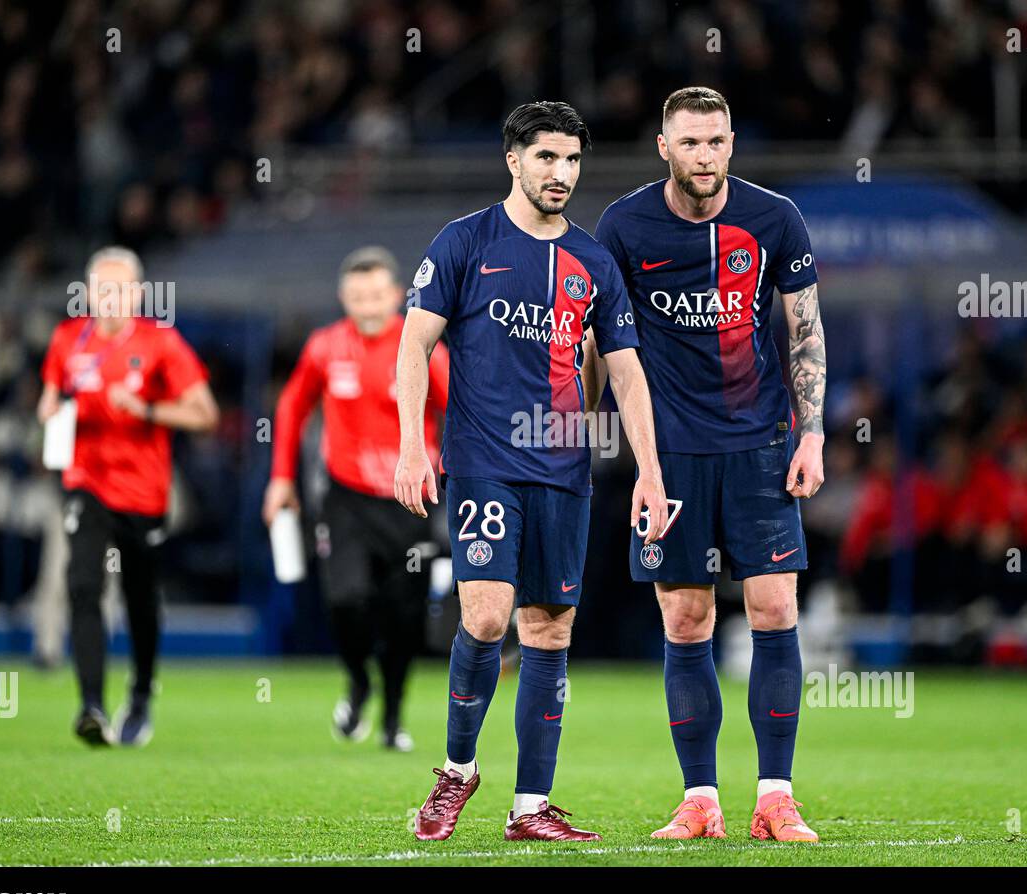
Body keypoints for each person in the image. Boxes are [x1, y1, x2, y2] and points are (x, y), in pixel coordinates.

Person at [394, 101, 667, 842]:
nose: (561, 173)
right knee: (484, 615)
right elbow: (414, 345)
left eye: (572, 160)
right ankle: (456, 773)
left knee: (549, 630)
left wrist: (647, 469)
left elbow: (628, 374)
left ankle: (530, 808)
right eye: (547, 157)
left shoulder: (594, 261)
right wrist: (413, 446)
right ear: (513, 159)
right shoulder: (464, 241)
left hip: (563, 468)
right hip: (482, 462)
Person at [595, 87, 827, 842]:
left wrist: (814, 433)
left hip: (759, 444)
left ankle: (776, 797)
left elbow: (804, 332)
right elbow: (608, 348)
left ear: (733, 144)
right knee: (686, 616)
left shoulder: (774, 219)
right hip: (673, 454)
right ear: (664, 147)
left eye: (718, 142)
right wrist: (619, 451)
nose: (706, 156)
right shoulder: (624, 226)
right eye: (691, 143)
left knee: (774, 608)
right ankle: (700, 799)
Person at [263, 247, 449, 751]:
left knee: (405, 614)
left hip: (410, 500)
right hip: (344, 499)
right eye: (357, 295)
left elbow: (459, 413)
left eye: (377, 293)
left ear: (396, 295)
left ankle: (392, 716)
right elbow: (291, 407)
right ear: (344, 297)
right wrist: (281, 478)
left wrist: (455, 475)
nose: (368, 304)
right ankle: (358, 683)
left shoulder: (424, 347)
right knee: (346, 598)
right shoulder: (325, 347)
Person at [37, 246, 218, 746]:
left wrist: (147, 410)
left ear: (137, 294)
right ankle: (91, 705)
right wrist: (49, 409)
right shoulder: (66, 340)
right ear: (88, 294)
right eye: (102, 289)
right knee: (81, 583)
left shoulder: (160, 343)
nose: (110, 299)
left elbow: (205, 413)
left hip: (143, 491)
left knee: (140, 597)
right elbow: (49, 398)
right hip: (85, 482)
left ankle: (139, 694)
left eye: (120, 289)